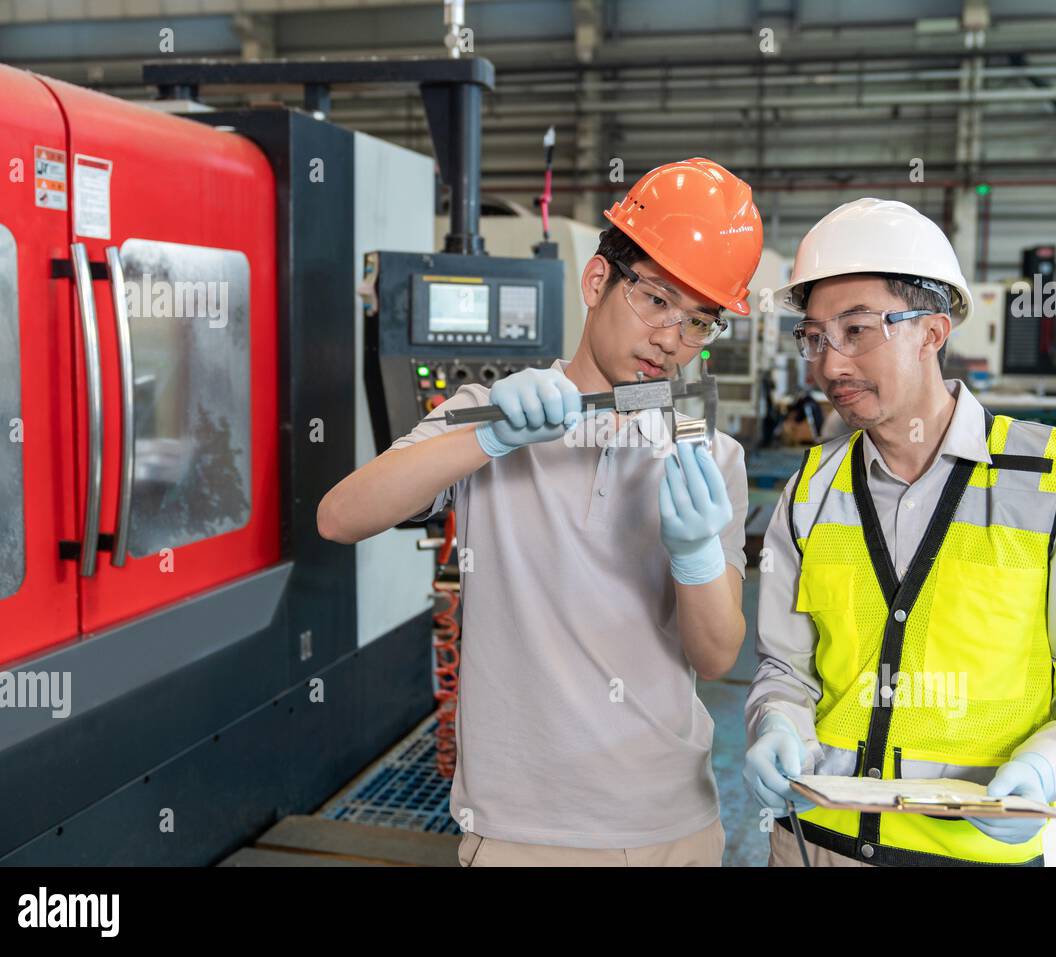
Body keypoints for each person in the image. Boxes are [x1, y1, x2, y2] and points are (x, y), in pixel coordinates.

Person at [319, 158, 763, 866]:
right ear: (597, 282)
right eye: (655, 301)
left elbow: (715, 655)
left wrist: (697, 555)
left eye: (699, 321)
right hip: (526, 831)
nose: (672, 340)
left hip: (673, 822)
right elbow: (340, 516)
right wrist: (488, 436)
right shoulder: (490, 418)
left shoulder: (710, 456)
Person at [743, 198, 1056, 866]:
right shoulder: (810, 491)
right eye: (814, 337)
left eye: (857, 330)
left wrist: (1047, 769)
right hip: (815, 848)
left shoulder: (1051, 485)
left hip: (976, 854)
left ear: (932, 332)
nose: (830, 365)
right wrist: (777, 720)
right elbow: (787, 669)